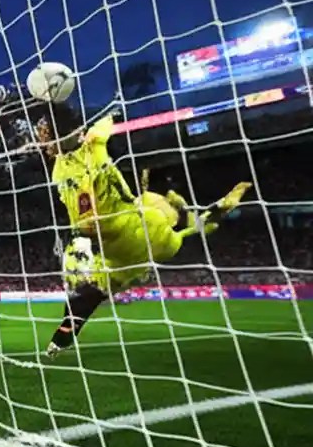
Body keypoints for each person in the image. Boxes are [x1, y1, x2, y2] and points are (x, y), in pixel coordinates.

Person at [39, 111, 250, 358]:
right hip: (142, 229)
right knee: (183, 227)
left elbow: (87, 224)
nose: (42, 142)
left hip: (121, 240)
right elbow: (104, 125)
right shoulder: (95, 139)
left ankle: (61, 340)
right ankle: (61, 340)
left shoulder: (64, 173)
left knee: (82, 292)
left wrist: (80, 242)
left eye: (45, 136)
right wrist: (113, 113)